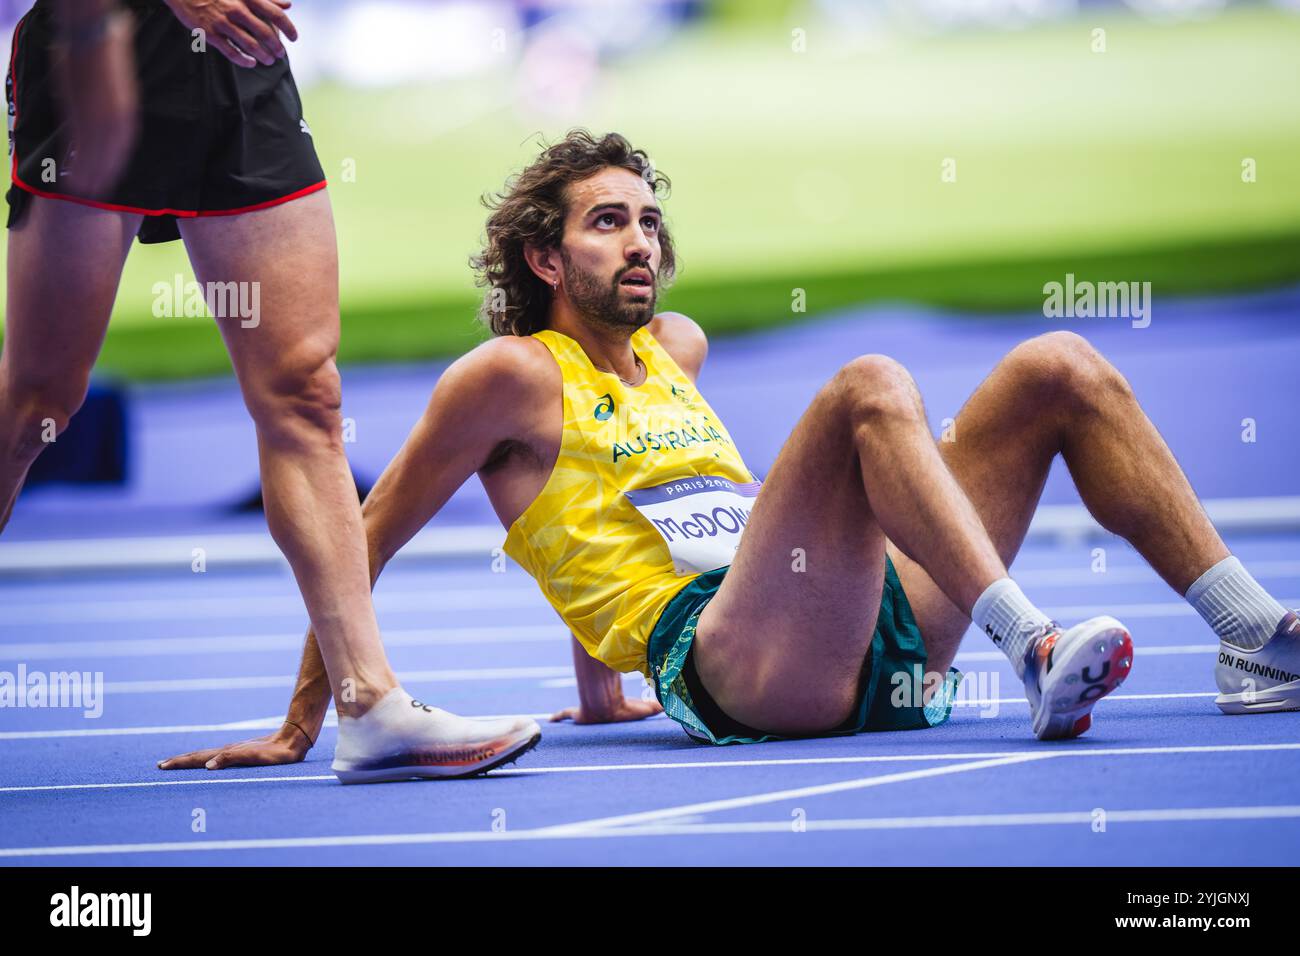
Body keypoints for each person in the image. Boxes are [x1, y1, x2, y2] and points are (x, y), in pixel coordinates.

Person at [167, 129, 1297, 772]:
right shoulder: (504, 375)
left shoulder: (676, 348)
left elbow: (627, 505)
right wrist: (313, 713)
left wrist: (593, 689)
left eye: (649, 218)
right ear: (544, 259)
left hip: (861, 631)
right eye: (608, 221)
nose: (642, 238)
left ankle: (1257, 639)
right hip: (738, 665)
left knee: (1055, 365)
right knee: (868, 384)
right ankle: (1032, 638)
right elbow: (361, 534)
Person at [3, 0, 540, 783]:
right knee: (38, 404)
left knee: (305, 395)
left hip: (242, 61)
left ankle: (369, 705)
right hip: (102, 44)